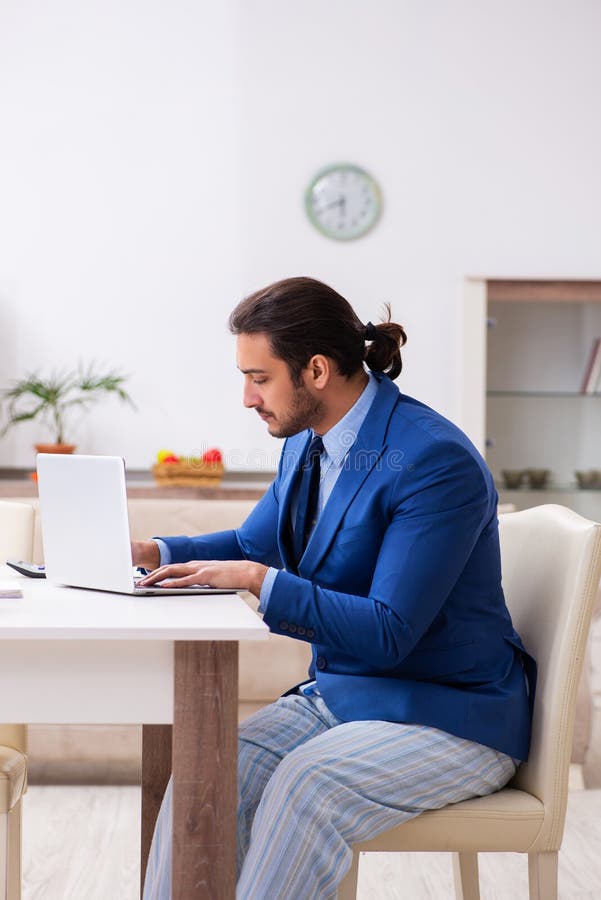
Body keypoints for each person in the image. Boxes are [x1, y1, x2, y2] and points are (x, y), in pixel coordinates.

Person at [134, 276, 535, 900]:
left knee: (307, 786)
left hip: (453, 715)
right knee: (209, 774)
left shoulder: (433, 461)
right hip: (348, 696)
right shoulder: (306, 442)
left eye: (259, 378)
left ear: (315, 370)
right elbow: (251, 543)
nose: (246, 398)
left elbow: (388, 631)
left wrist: (263, 584)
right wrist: (152, 552)